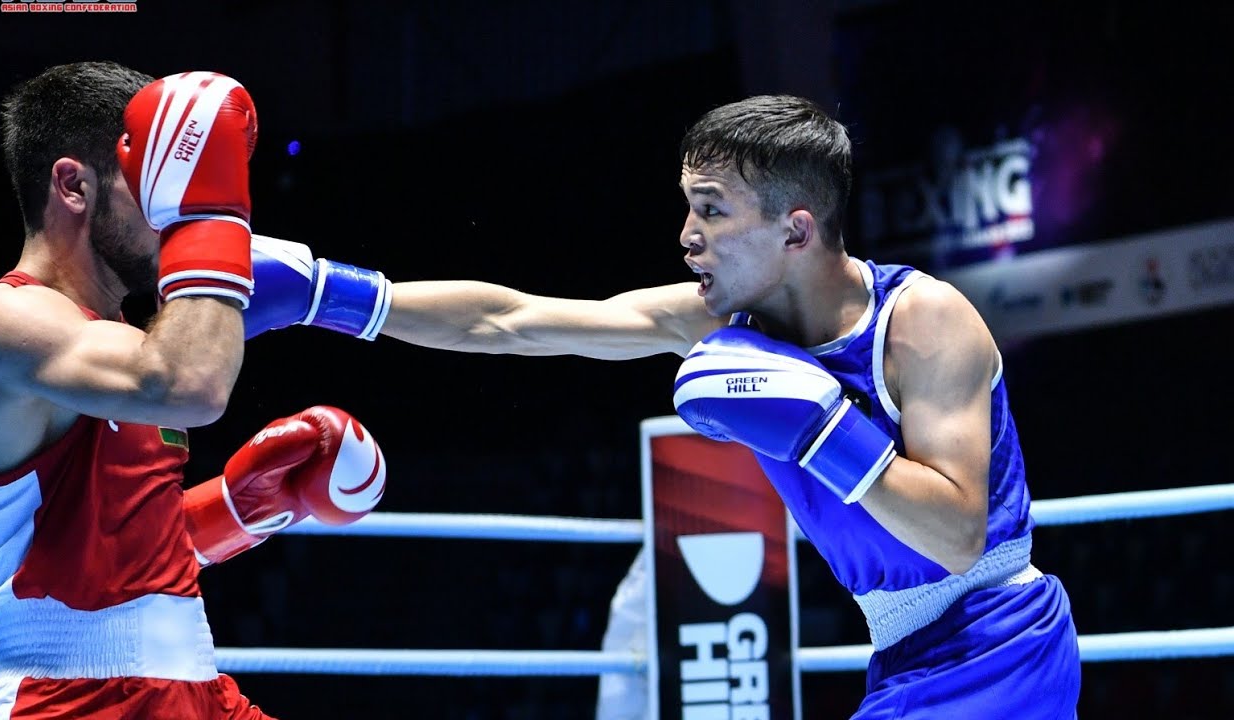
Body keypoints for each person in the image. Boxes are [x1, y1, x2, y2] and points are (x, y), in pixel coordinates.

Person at [252, 95, 1081, 717]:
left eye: (713, 209)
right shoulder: (722, 323)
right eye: (689, 204)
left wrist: (824, 430)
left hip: (997, 636)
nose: (687, 234)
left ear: (796, 231)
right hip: (904, 651)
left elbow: (959, 531)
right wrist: (331, 295)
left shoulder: (924, 320)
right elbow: (512, 321)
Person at [0, 62, 385, 719]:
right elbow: (190, 384)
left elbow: (115, 557)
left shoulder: (122, 341)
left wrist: (237, 511)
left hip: (196, 689)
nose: (169, 216)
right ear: (74, 185)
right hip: (68, 700)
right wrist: (212, 216)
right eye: (156, 187)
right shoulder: (3, 325)